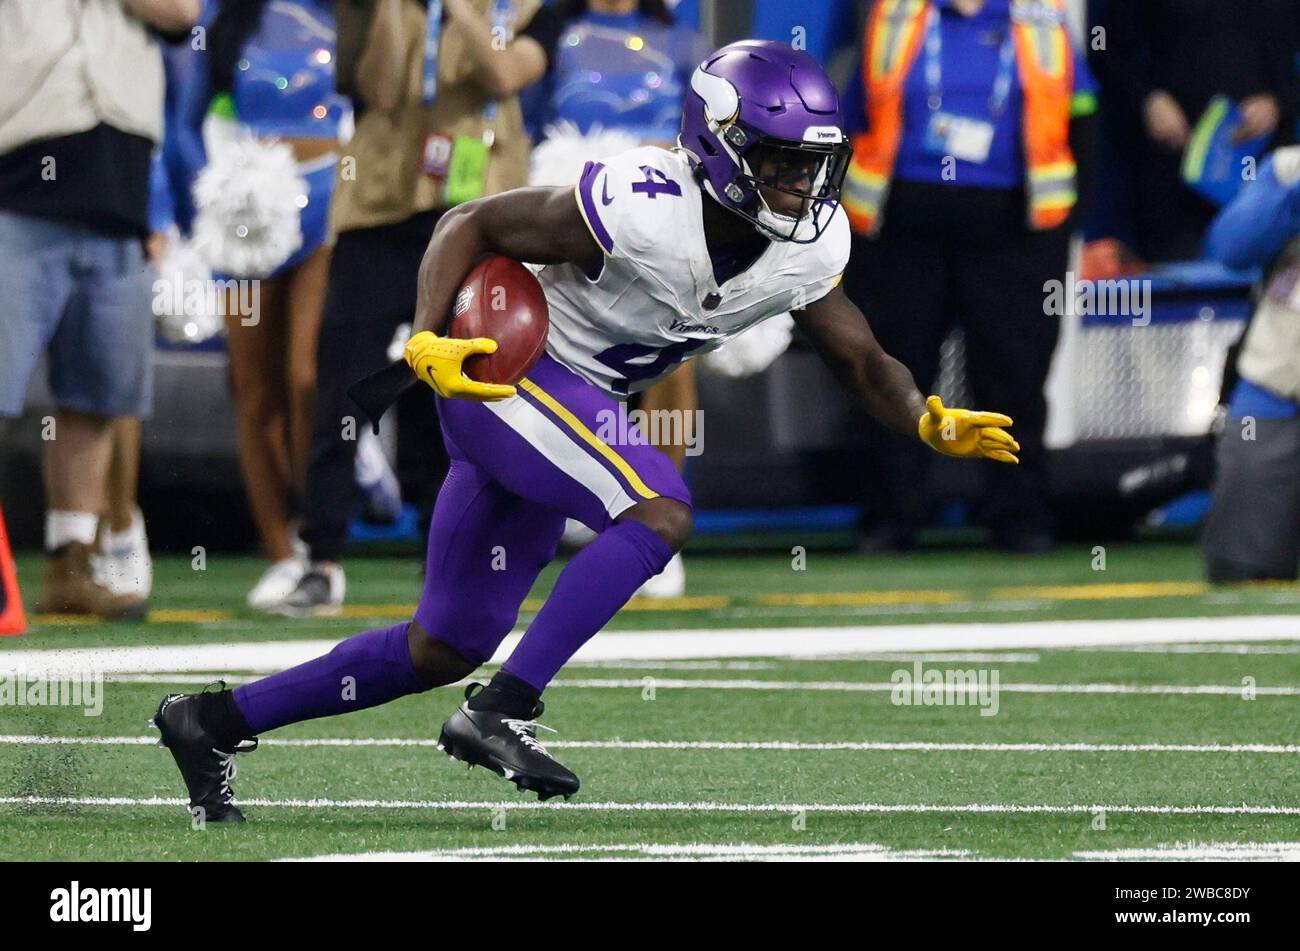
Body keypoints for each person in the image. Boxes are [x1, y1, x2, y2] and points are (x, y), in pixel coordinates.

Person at [152, 40, 1020, 818]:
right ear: (719, 145)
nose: (802, 186)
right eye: (782, 163)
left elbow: (861, 357)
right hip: (505, 377)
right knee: (659, 509)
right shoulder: (645, 202)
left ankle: (211, 720)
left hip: (565, 413)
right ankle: (503, 709)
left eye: (813, 165)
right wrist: (423, 334)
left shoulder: (806, 244)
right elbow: (473, 221)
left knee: (442, 642)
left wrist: (923, 415)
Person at [274, 0, 564, 615]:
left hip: (476, 215)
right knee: (344, 384)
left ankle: (446, 561)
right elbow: (375, 89)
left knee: (458, 387)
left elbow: (503, 76)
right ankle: (320, 557)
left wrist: (458, 10)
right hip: (379, 214)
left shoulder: (531, 6)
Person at [840, 0, 1098, 553]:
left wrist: (1070, 221)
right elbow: (854, 114)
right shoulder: (895, 15)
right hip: (900, 226)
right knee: (895, 372)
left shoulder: (1041, 18)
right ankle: (892, 516)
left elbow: (1082, 114)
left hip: (1014, 227)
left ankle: (1018, 515)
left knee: (1014, 376)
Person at [0, 0, 199, 619]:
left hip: (119, 195)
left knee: (97, 398)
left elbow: (181, 12)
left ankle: (73, 559)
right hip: (15, 185)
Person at [169, 0, 350, 609]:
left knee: (305, 374)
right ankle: (280, 551)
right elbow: (183, 125)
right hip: (247, 214)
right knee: (252, 388)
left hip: (327, 202)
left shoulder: (350, 13)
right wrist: (224, 189)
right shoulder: (227, 16)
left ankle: (320, 528)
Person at [527, 0, 706, 598]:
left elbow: (701, 140)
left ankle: (661, 516)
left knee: (672, 364)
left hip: (663, 222)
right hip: (582, 218)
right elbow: (530, 125)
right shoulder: (558, 30)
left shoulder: (678, 39)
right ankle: (589, 505)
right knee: (575, 360)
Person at [1092, 0, 1300, 262]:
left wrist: (1279, 103)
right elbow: (1102, 46)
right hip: (1175, 172)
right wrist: (1148, 100)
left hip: (1266, 178)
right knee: (1179, 289)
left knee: (1268, 286)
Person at [1201, 146, 1300, 582]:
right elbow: (1231, 248)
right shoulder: (1286, 168)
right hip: (1278, 382)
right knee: (1241, 564)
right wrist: (1292, 197)